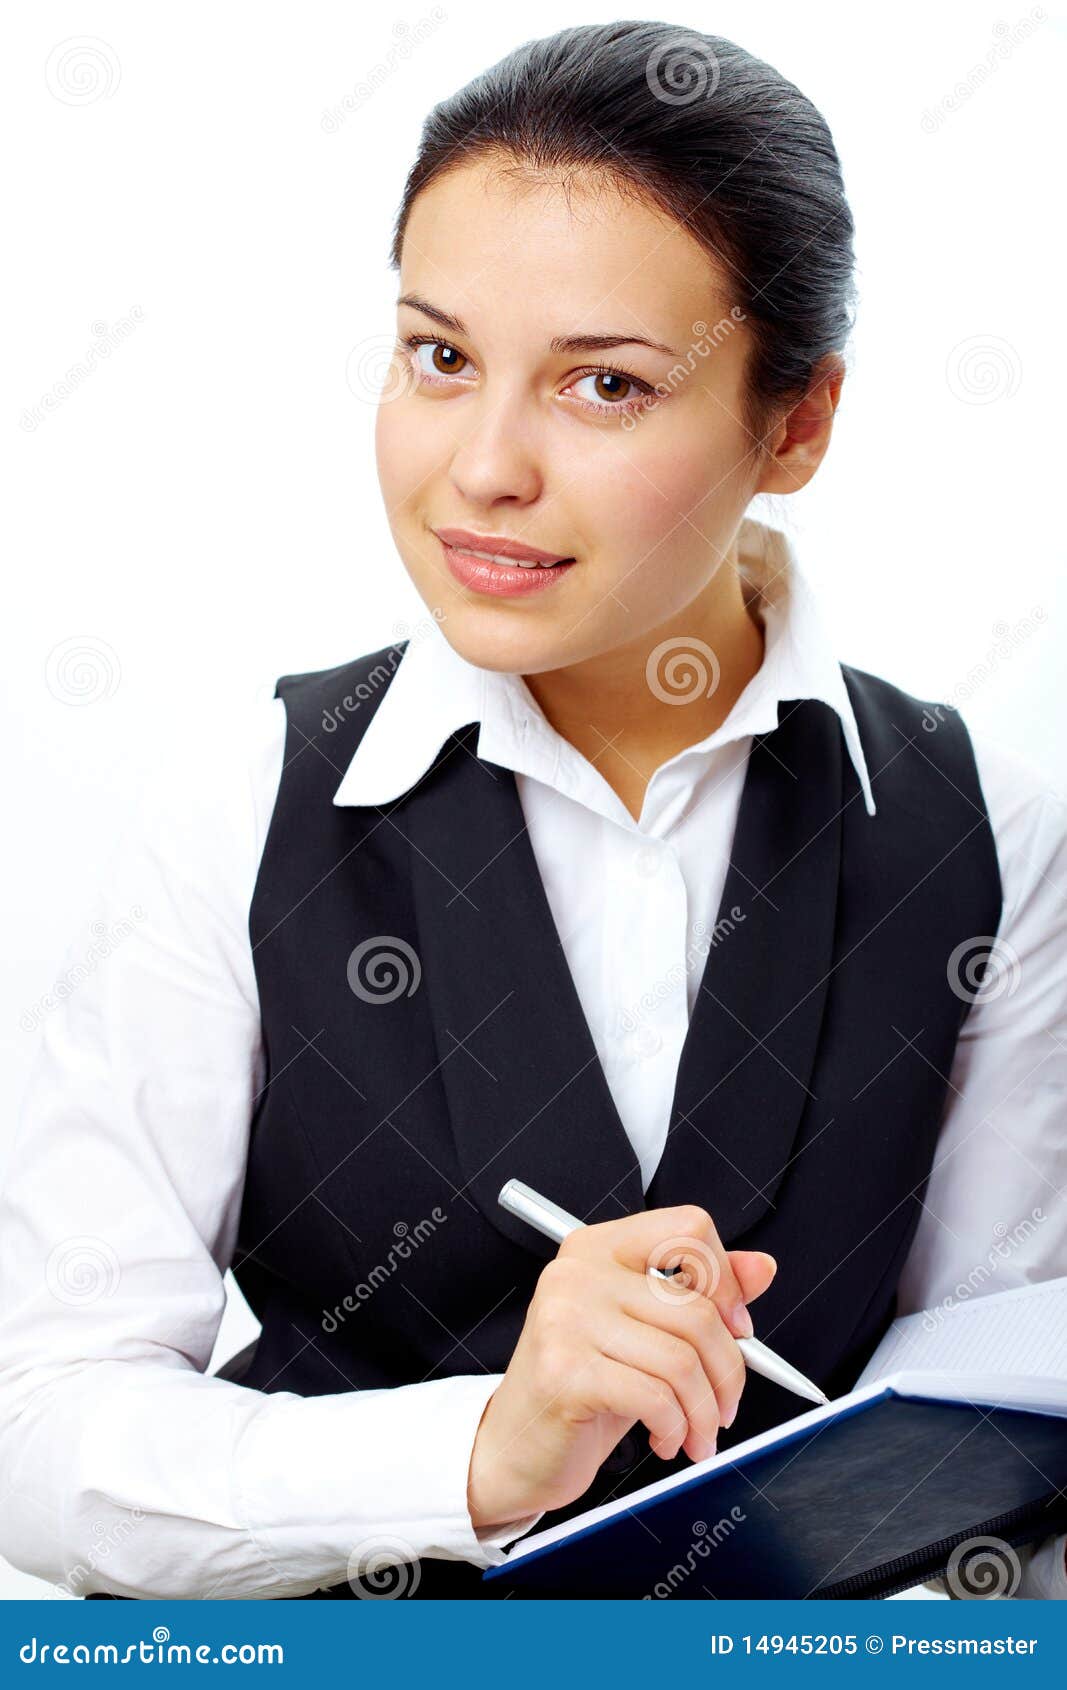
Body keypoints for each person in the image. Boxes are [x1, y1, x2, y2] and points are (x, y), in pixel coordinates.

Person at [1, 22, 1065, 1601]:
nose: (481, 468)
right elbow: (41, 1427)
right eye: (439, 356)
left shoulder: (980, 826)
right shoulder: (243, 797)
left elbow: (1001, 1400)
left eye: (606, 385)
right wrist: (484, 1451)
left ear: (799, 424)